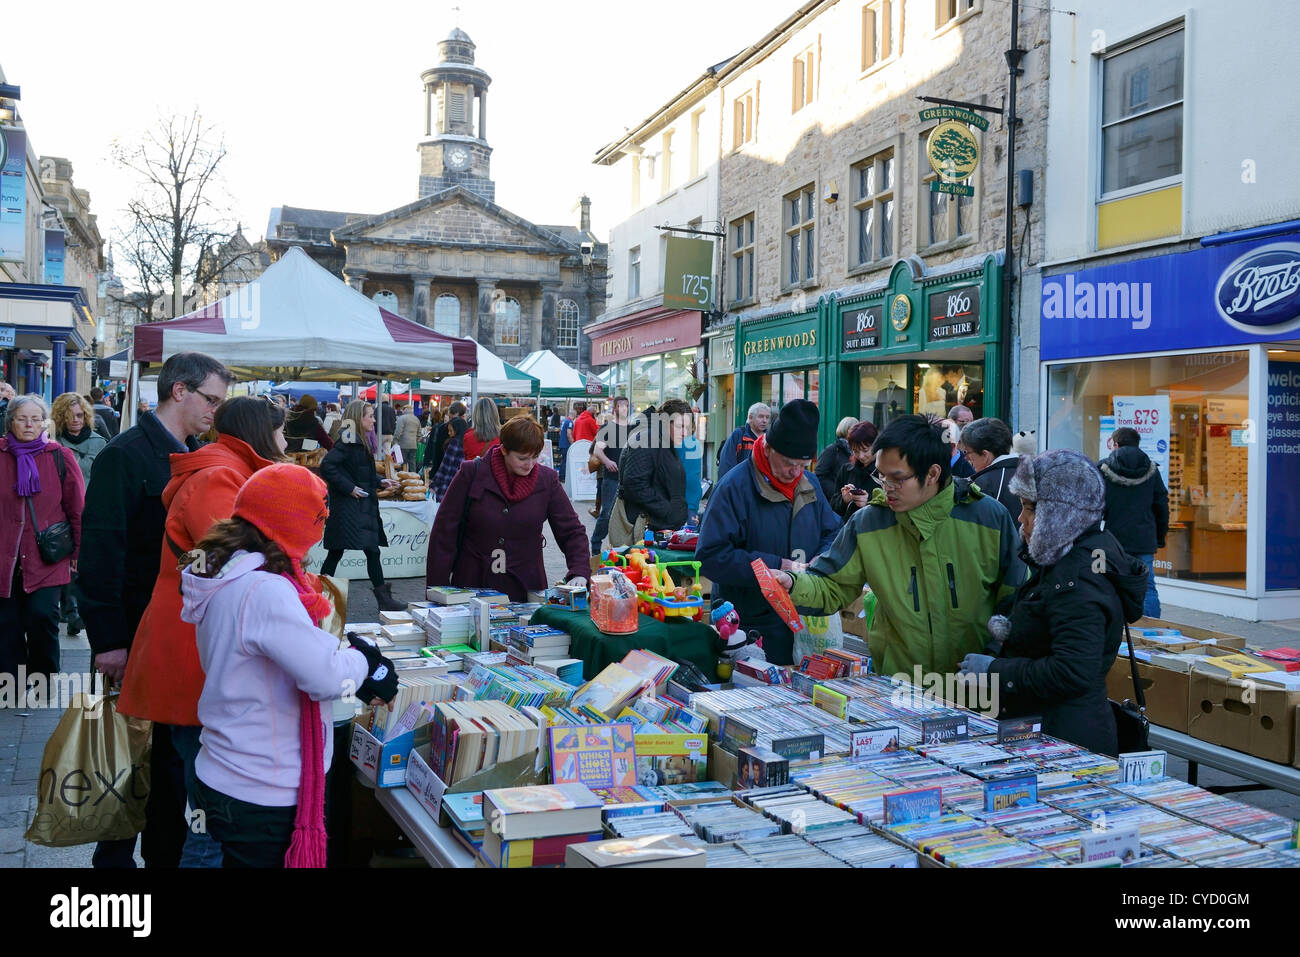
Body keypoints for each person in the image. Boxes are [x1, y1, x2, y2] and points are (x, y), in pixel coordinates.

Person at [184, 464, 398, 868]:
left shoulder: (232, 571)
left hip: (225, 768)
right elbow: (324, 676)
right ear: (290, 524)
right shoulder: (265, 590)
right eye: (317, 521)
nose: (318, 536)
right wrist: (366, 661)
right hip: (260, 784)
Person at [117, 396, 286, 867]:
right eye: (280, 432)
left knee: (204, 802)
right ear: (260, 432)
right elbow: (228, 561)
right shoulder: (220, 476)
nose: (286, 442)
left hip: (196, 641)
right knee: (208, 815)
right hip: (191, 648)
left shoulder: (226, 470)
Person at [78, 352, 232, 869]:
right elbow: (99, 554)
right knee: (124, 773)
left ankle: (163, 858)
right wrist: (108, 642)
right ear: (179, 391)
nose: (216, 410)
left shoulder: (193, 455)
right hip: (130, 638)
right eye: (211, 399)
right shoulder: (125, 454)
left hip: (169, 640)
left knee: (167, 773)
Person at [770, 414, 1026, 678]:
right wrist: (794, 584)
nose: (887, 488)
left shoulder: (987, 517)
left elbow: (1016, 597)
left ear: (932, 473)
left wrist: (995, 657)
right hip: (899, 687)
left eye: (897, 478)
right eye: (881, 477)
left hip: (975, 690)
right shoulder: (869, 523)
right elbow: (832, 583)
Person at [958, 449, 1148, 756]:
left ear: (1058, 513)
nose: (1020, 518)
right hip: (1051, 728)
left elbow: (1072, 670)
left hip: (1064, 738)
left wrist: (995, 669)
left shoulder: (1078, 574)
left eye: (1028, 508)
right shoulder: (1070, 554)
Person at [697, 399, 841, 665]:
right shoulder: (734, 487)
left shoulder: (810, 483)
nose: (796, 472)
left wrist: (818, 561)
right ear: (768, 446)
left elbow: (832, 531)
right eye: (789, 463)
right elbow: (711, 556)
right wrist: (777, 566)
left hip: (803, 620)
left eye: (803, 464)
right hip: (750, 624)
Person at [427, 417, 589, 601]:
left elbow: (572, 531)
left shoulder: (547, 480)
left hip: (525, 587)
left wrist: (579, 571)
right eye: (522, 458)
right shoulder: (471, 473)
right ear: (504, 450)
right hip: (472, 585)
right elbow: (444, 532)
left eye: (535, 457)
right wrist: (437, 590)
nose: (530, 464)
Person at [0, 395, 84, 698]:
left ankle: (44, 681)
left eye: (36, 419)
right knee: (6, 624)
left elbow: (77, 509)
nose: (29, 425)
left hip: (47, 558)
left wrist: (76, 553)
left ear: (44, 422)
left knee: (42, 618)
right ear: (10, 421)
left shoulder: (59, 456)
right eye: (22, 418)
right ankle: (10, 686)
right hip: (4, 559)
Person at [319, 401, 403, 612]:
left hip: (358, 507)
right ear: (358, 418)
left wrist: (380, 481)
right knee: (340, 552)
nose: (373, 420)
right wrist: (349, 488)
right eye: (370, 416)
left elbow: (360, 471)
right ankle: (317, 594)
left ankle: (382, 599)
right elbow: (327, 466)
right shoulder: (349, 441)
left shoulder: (357, 440)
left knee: (368, 551)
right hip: (350, 509)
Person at [1099, 427, 1169, 618]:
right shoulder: (1152, 469)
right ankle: (1150, 629)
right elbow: (1161, 505)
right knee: (1147, 586)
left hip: (1113, 539)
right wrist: (1160, 537)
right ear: (1137, 444)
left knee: (1111, 584)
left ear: (1116, 444)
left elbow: (1095, 504)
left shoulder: (1104, 468)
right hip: (1144, 539)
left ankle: (1118, 628)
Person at [52, 392, 106, 636]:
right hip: (58, 511)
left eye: (80, 415)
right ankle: (71, 610)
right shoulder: (52, 443)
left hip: (89, 510)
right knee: (64, 558)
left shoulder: (99, 443)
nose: (76, 420)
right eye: (70, 415)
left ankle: (73, 609)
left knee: (79, 560)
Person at [611, 399, 693, 545]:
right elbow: (635, 484)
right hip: (643, 529)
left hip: (657, 528)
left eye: (688, 427)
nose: (685, 433)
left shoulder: (662, 440)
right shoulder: (648, 438)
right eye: (681, 426)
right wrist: (668, 510)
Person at [959, 417, 1022, 521]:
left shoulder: (984, 483)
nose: (966, 458)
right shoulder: (1030, 471)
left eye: (967, 452)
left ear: (985, 455)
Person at [590, 396, 631, 554]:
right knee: (607, 513)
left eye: (626, 406)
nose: (624, 409)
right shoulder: (607, 428)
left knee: (625, 514)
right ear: (614, 408)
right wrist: (607, 462)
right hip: (612, 478)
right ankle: (595, 543)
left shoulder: (632, 428)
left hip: (629, 478)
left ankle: (622, 547)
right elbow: (597, 451)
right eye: (621, 406)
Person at [832, 420, 879, 520]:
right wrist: (844, 500)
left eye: (865, 450)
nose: (861, 456)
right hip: (849, 529)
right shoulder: (846, 470)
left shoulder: (885, 473)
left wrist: (868, 501)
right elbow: (833, 506)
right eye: (855, 451)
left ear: (876, 445)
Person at [717, 402, 771, 480]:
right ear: (750, 417)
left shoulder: (769, 438)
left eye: (767, 417)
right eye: (761, 416)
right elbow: (726, 465)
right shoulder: (738, 435)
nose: (765, 420)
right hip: (741, 487)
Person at [815, 416, 859, 504]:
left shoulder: (857, 451)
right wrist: (837, 494)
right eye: (854, 429)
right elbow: (820, 475)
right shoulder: (833, 450)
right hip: (834, 502)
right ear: (846, 431)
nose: (858, 433)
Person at [430, 416, 470, 501]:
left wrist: (434, 485)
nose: (449, 433)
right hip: (460, 485)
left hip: (447, 484)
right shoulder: (466, 442)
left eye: (451, 431)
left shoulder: (454, 442)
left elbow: (445, 467)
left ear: (458, 430)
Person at [393, 402, 422, 468]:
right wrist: (415, 442)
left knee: (401, 465)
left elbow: (398, 431)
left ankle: (401, 478)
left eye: (403, 409)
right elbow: (419, 434)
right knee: (412, 464)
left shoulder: (402, 418)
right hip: (413, 445)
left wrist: (395, 441)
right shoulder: (417, 419)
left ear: (405, 410)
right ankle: (414, 477)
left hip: (403, 445)